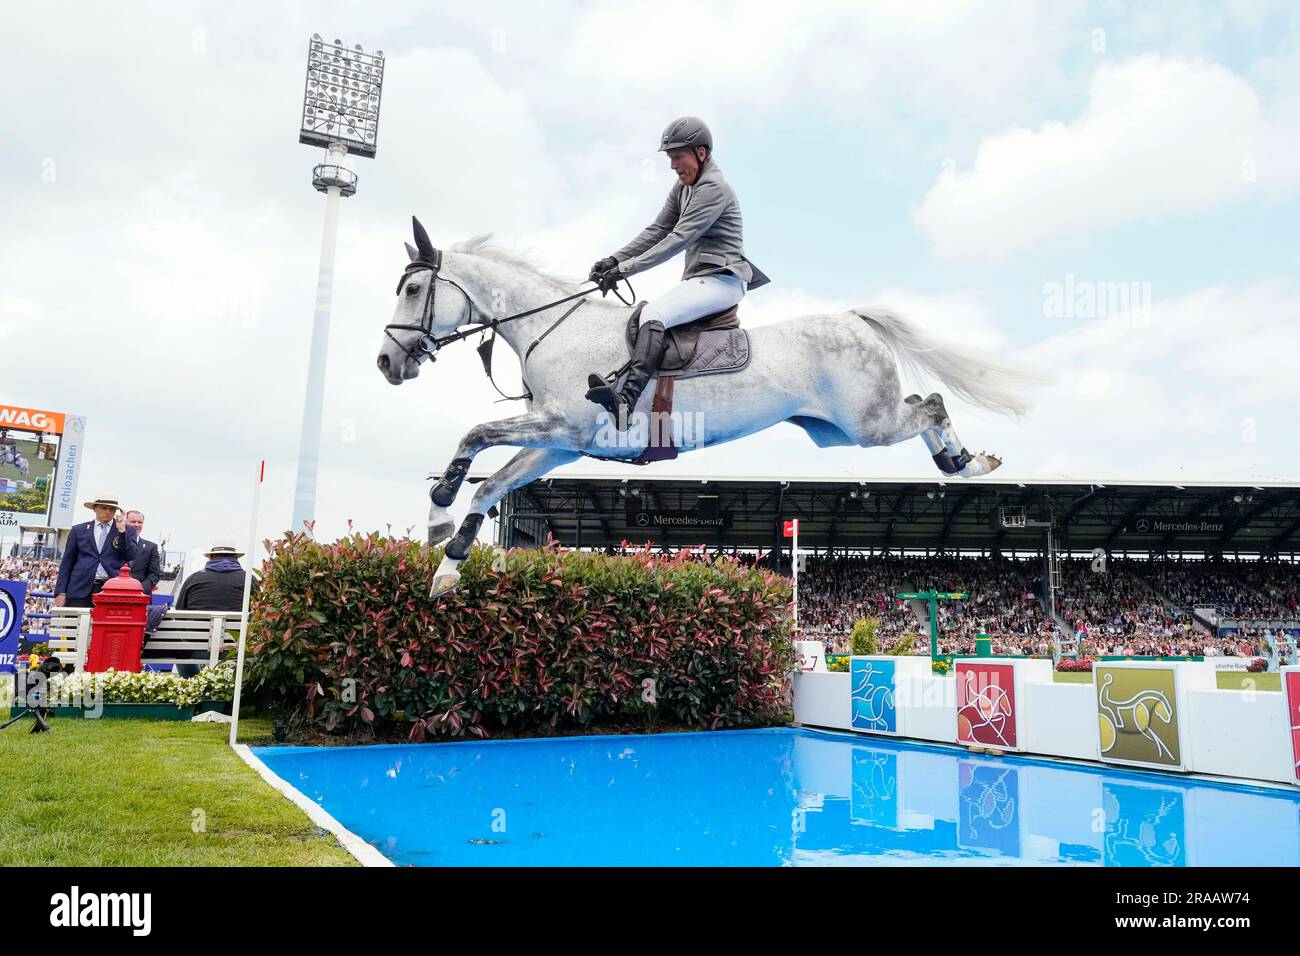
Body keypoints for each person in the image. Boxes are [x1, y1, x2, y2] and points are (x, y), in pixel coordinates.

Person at [585, 116, 769, 427]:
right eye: (669, 158)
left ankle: (627, 402)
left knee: (653, 314)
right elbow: (658, 229)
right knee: (650, 314)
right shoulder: (683, 187)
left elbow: (677, 239)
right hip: (701, 280)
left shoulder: (713, 189)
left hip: (722, 280)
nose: (673, 165)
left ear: (701, 153)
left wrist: (625, 269)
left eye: (677, 156)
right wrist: (614, 260)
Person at [173, 540, 249, 677]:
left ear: (211, 557)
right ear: (236, 558)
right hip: (237, 649)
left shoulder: (193, 579)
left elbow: (179, 614)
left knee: (181, 650)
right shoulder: (249, 580)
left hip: (196, 648)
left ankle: (194, 683)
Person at [53, 494, 139, 608]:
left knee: (107, 625)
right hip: (79, 589)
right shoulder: (78, 530)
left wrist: (122, 531)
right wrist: (60, 592)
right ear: (95, 508)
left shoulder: (127, 530)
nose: (108, 511)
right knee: (75, 624)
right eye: (104, 508)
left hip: (112, 589)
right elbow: (67, 562)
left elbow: (131, 555)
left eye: (112, 509)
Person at [125, 510, 162, 595]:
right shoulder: (114, 543)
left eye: (140, 522)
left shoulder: (151, 547)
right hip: (115, 594)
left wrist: (139, 590)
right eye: (133, 522)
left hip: (141, 597)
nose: (137, 525)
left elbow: (154, 575)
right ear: (125, 522)